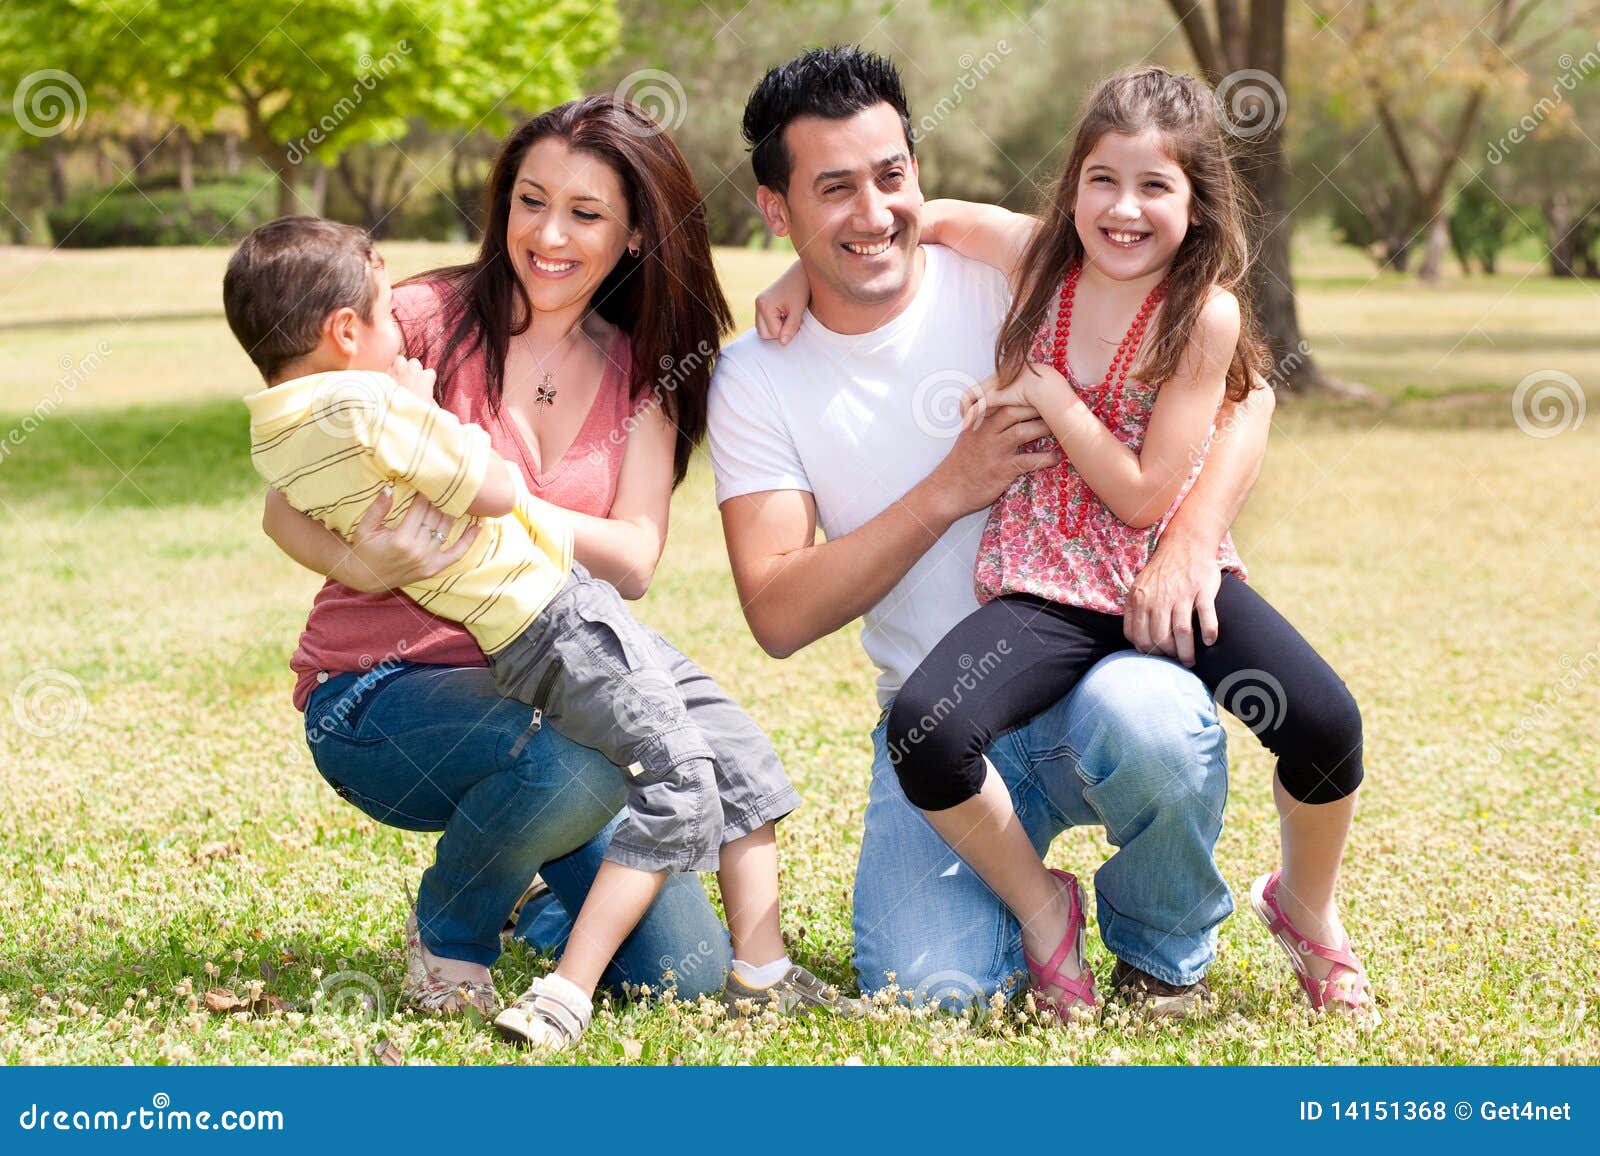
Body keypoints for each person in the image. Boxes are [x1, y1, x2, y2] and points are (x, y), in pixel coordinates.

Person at [253, 99, 845, 1030]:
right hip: (384, 689)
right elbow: (283, 501)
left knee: (682, 976)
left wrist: (498, 502)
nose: (549, 234)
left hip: (551, 676)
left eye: (586, 213)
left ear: (637, 233)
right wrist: (363, 561)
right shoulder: (417, 319)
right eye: (531, 201)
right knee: (577, 767)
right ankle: (451, 935)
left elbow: (636, 558)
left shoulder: (643, 373)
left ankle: (542, 900)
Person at [715, 47, 1273, 1019]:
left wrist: (1188, 540)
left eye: (891, 176)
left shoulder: (1012, 275)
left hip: (1094, 675)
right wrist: (949, 487)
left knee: (1158, 727)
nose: (873, 212)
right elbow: (774, 611)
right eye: (833, 189)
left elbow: (1245, 387)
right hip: (936, 727)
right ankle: (1039, 907)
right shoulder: (756, 375)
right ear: (777, 211)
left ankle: (1158, 952)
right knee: (929, 992)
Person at [853, 67, 1369, 1021]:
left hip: (1159, 577)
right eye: (1102, 178)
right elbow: (934, 217)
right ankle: (1045, 907)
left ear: (1197, 201)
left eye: (1155, 186)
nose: (1123, 209)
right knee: (926, 731)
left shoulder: (1200, 312)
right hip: (1045, 584)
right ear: (1073, 182)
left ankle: (1304, 908)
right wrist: (807, 274)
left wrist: (1049, 396)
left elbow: (1140, 498)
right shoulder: (1043, 258)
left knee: (1327, 726)